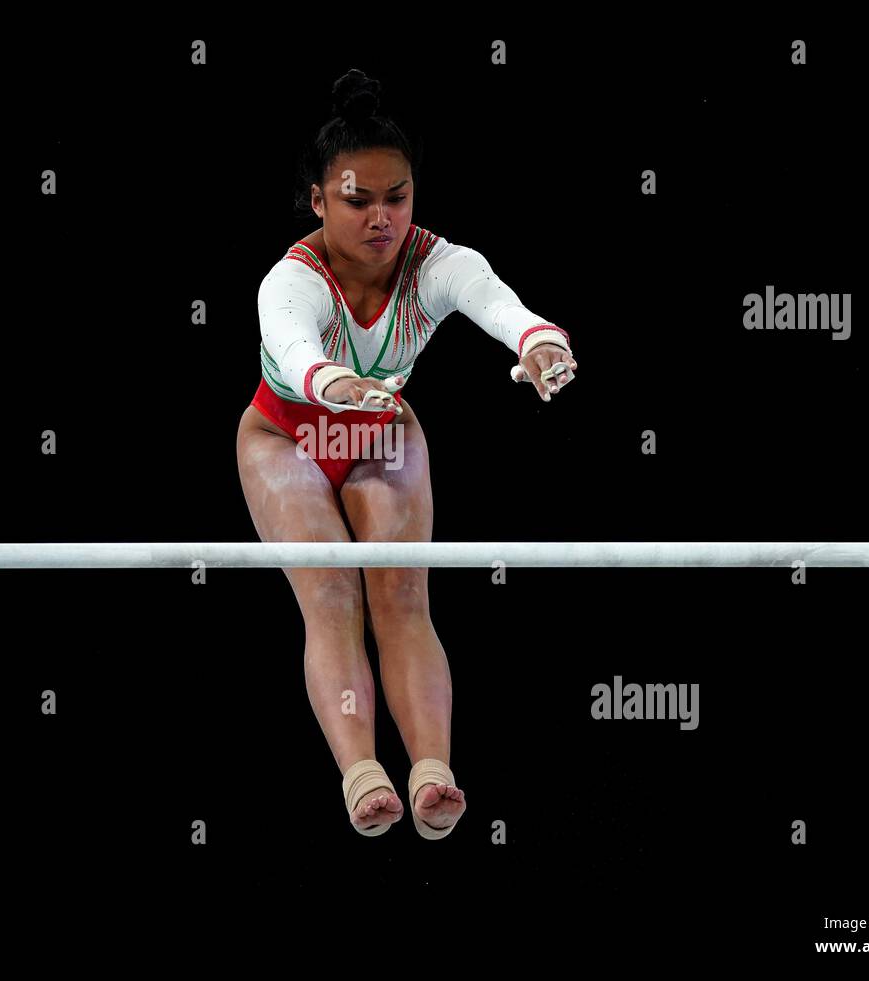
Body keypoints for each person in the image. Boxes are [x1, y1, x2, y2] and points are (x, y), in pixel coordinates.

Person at [236, 69, 577, 839]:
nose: (381, 217)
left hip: (383, 432)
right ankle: (362, 772)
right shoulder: (292, 277)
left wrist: (540, 342)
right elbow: (292, 347)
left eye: (398, 197)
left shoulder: (436, 263)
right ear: (319, 201)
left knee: (402, 601)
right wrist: (333, 382)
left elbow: (498, 302)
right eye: (358, 201)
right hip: (286, 438)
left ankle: (431, 770)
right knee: (331, 602)